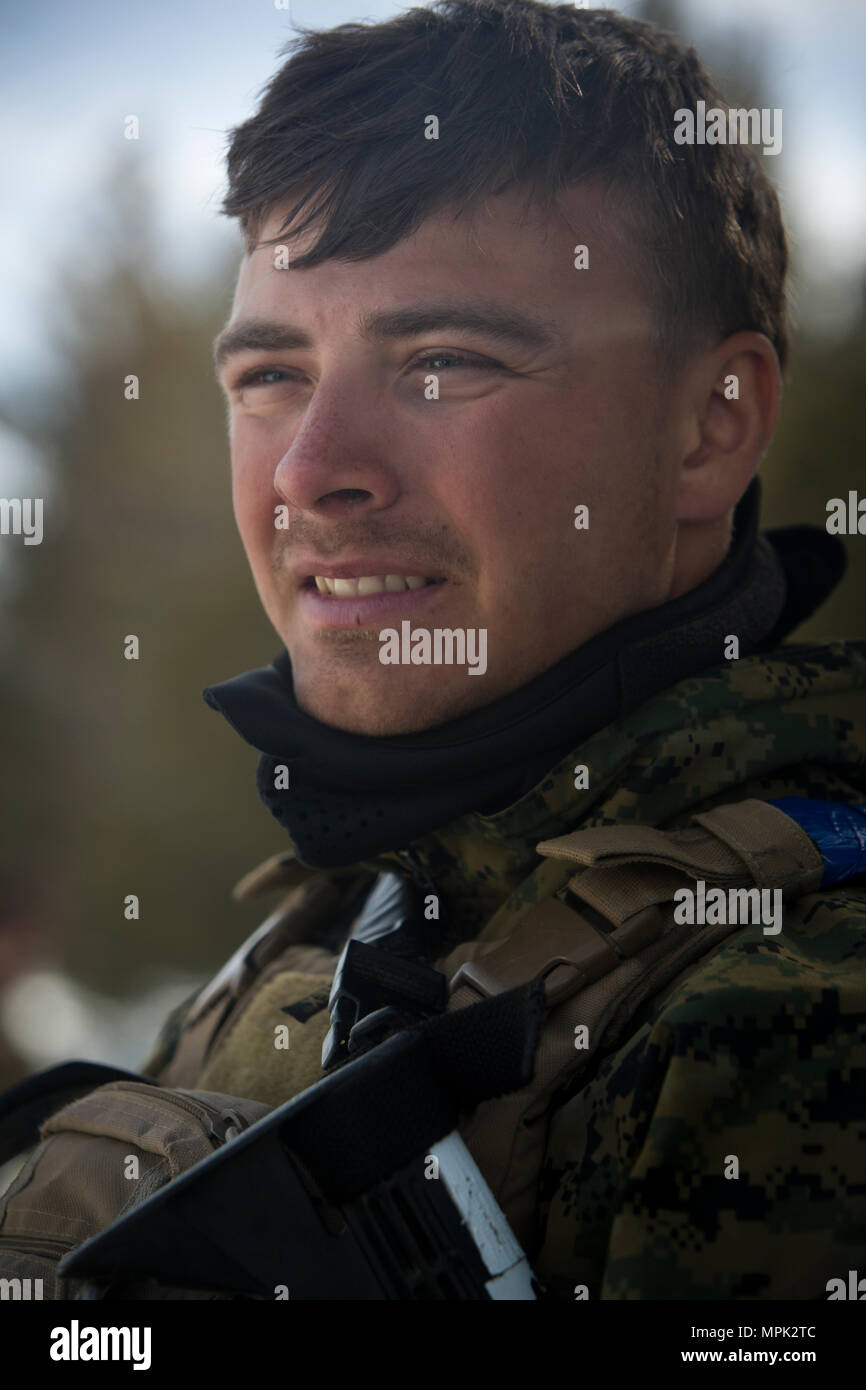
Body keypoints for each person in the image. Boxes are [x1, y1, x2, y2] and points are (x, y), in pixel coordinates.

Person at [2, 0, 865, 1301]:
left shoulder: (790, 1008)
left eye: (444, 361)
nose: (310, 469)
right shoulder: (337, 916)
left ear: (712, 425)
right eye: (269, 377)